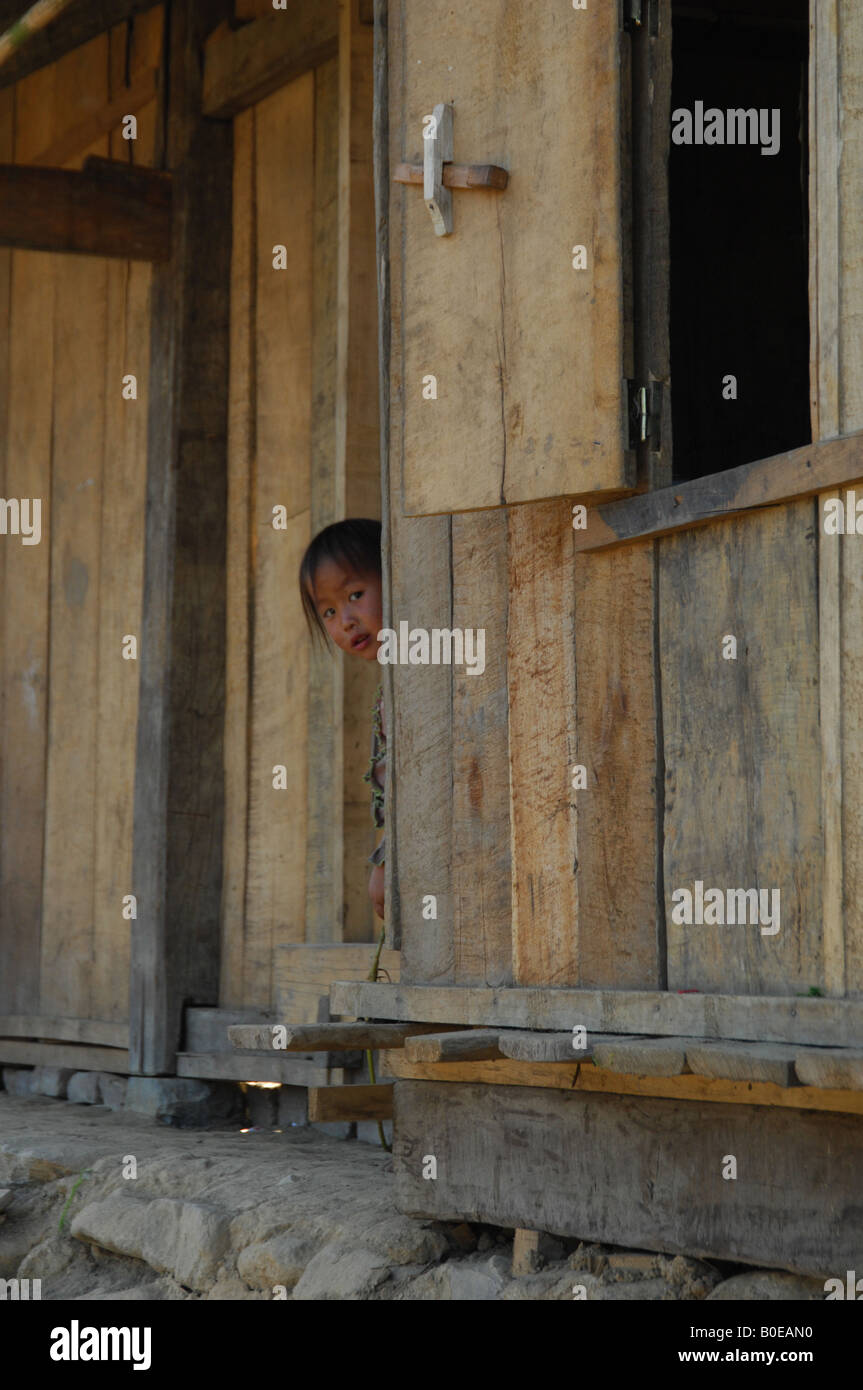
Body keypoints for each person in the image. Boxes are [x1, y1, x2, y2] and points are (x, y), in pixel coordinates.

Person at [299, 519, 386, 920]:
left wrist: (386, 864)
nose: (346, 621)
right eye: (330, 611)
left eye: (355, 594)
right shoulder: (391, 684)